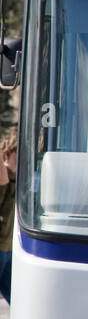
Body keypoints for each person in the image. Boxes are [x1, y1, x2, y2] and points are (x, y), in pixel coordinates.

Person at [0, 127, 17, 304]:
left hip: (9, 245)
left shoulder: (18, 177)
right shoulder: (7, 175)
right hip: (3, 244)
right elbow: (3, 182)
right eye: (16, 153)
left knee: (14, 293)